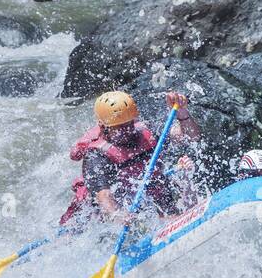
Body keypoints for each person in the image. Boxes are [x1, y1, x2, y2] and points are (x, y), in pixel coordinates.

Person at [59, 90, 201, 227]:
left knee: (166, 198)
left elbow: (191, 136)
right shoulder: (97, 155)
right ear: (104, 127)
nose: (126, 130)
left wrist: (182, 113)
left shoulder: (145, 131)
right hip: (100, 210)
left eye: (129, 124)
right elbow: (104, 195)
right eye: (119, 128)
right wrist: (117, 215)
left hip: (148, 193)